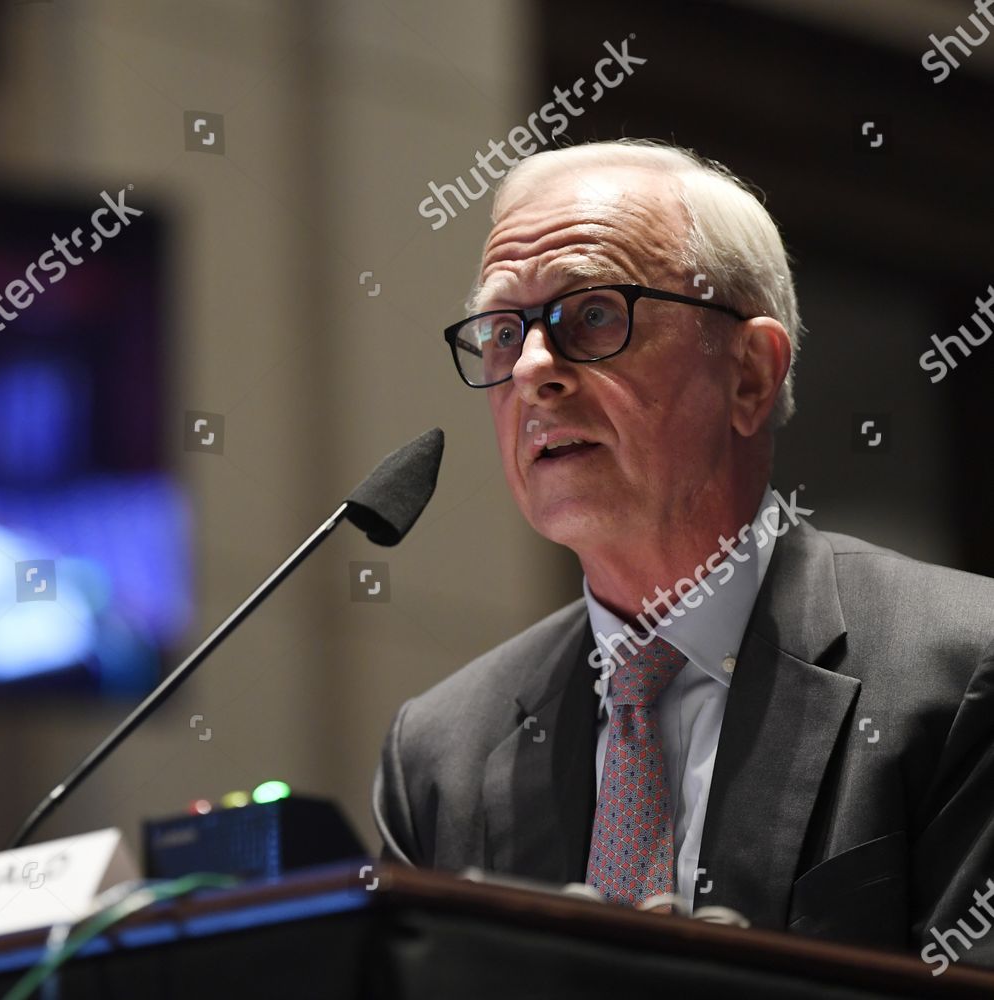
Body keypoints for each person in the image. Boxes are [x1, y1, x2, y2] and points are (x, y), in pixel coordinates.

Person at [373, 139, 994, 966]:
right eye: (500, 330)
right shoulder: (440, 750)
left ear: (749, 375)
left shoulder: (964, 670)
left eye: (592, 314)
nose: (530, 370)